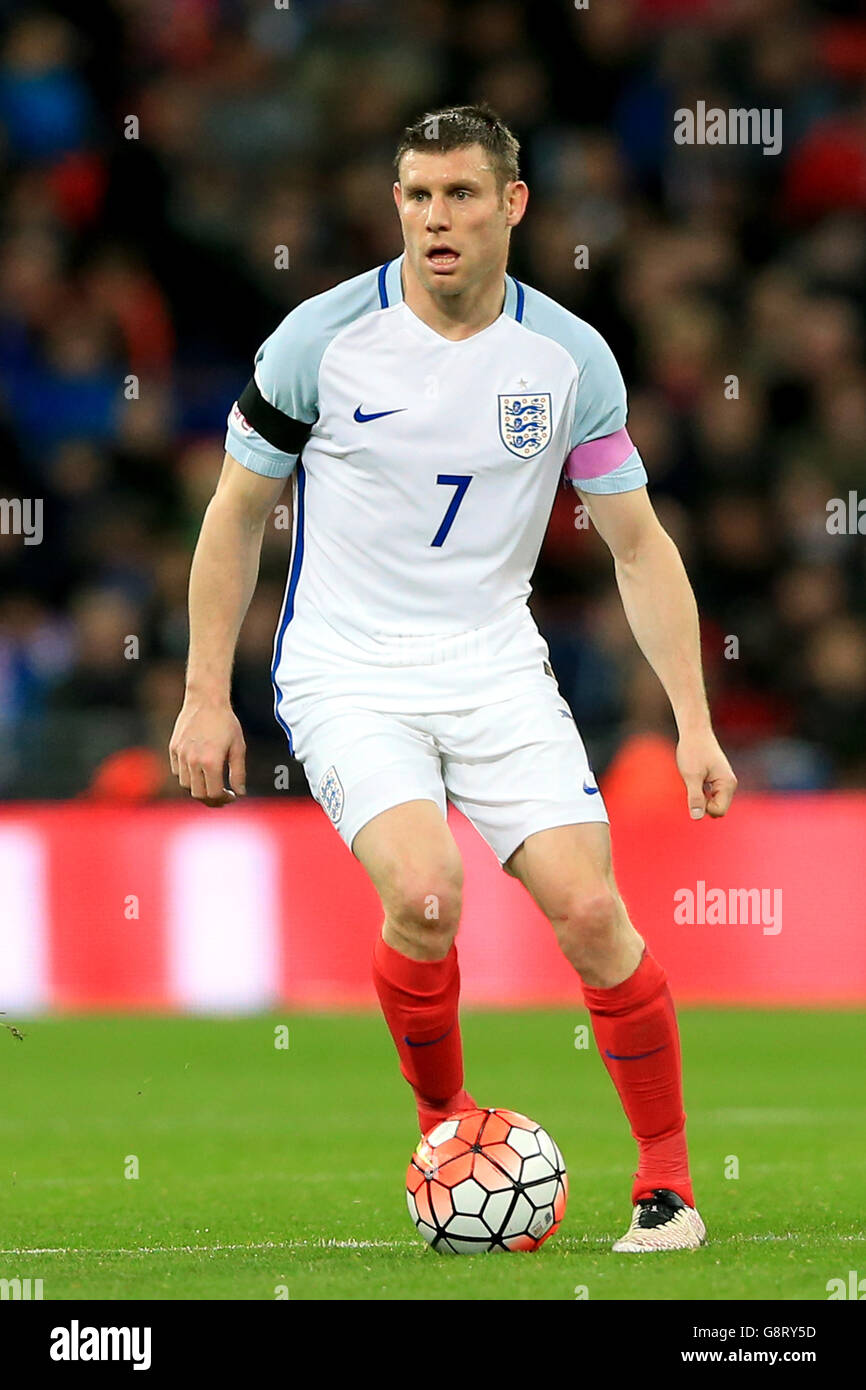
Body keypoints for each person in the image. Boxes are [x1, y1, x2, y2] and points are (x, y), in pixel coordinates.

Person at [169, 104, 737, 1253]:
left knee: (590, 912)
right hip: (347, 668)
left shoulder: (568, 359)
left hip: (493, 664)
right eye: (417, 196)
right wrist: (201, 692)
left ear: (510, 206)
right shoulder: (315, 344)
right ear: (397, 206)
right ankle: (446, 1131)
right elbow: (233, 516)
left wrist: (692, 721)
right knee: (426, 898)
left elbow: (635, 544)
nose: (437, 218)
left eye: (461, 195)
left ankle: (666, 1187)